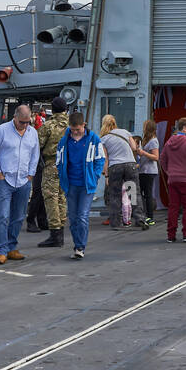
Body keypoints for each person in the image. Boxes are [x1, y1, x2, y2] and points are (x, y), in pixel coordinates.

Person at [0, 105, 41, 264]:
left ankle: (11, 247)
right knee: (2, 216)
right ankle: (1, 250)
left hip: (23, 180)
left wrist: (31, 175)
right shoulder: (1, 131)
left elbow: (35, 155)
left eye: (27, 122)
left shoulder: (32, 133)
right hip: (4, 180)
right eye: (22, 122)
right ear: (15, 117)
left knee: (18, 217)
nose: (25, 125)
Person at [56, 111, 104, 260]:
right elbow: (59, 160)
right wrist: (61, 175)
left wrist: (95, 176)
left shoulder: (94, 139)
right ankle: (77, 244)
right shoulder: (64, 141)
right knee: (73, 217)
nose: (75, 132)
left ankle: (80, 247)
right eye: (73, 129)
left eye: (78, 129)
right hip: (70, 184)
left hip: (86, 185)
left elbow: (100, 159)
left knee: (82, 216)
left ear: (84, 125)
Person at [35, 98, 71, 247]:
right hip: (68, 166)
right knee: (62, 198)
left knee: (51, 199)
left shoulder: (48, 126)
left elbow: (37, 144)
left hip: (51, 164)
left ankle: (55, 234)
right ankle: (61, 231)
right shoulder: (72, 125)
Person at [101, 114, 143, 231]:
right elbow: (134, 148)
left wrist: (106, 176)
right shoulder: (125, 132)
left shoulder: (104, 139)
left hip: (115, 166)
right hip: (130, 164)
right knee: (134, 193)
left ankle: (115, 222)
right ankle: (139, 219)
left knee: (115, 195)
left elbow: (106, 159)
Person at [160, 119, 186, 242]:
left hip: (173, 179)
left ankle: (171, 235)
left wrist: (169, 172)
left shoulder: (169, 142)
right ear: (184, 128)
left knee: (173, 207)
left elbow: (162, 159)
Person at [136, 119, 160, 226]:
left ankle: (150, 216)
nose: (143, 128)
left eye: (145, 126)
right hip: (143, 169)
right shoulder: (145, 139)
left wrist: (143, 153)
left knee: (148, 193)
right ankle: (142, 214)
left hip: (149, 171)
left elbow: (156, 157)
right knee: (141, 193)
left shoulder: (153, 141)